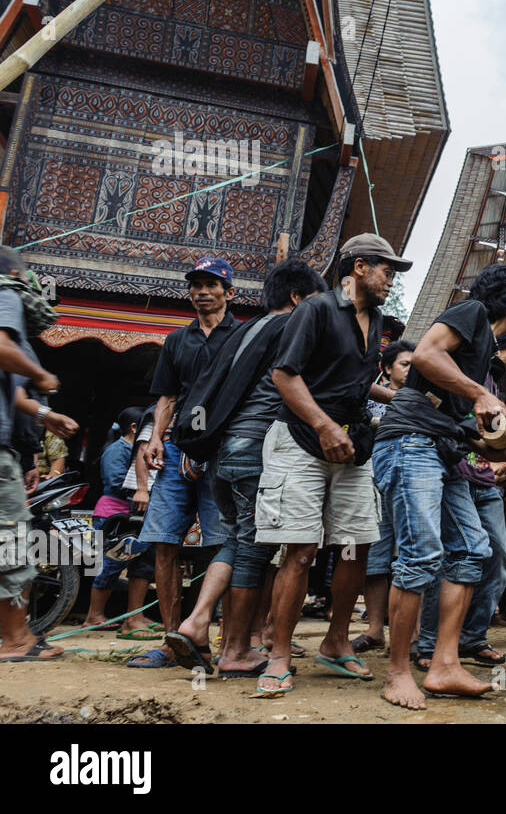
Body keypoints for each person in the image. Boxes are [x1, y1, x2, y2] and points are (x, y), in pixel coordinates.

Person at [254, 235, 407, 695]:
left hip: (351, 444)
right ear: (359, 267)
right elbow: (285, 374)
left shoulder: (376, 318)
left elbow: (354, 383)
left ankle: (336, 641)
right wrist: (323, 425)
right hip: (302, 440)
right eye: (386, 270)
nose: (390, 280)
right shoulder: (316, 309)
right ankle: (279, 654)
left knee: (356, 545)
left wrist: (399, 400)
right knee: (300, 551)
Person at [373, 263, 506, 710]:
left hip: (442, 450)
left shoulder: (481, 351)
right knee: (421, 554)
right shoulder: (473, 312)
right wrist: (480, 394)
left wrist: (503, 452)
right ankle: (399, 672)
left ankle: (444, 664)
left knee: (471, 550)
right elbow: (424, 355)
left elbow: (459, 422)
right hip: (409, 442)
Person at [165, 259, 328, 677]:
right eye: (315, 301)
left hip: (221, 451)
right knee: (255, 548)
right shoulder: (292, 328)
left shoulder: (244, 329)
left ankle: (198, 622)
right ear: (296, 298)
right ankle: (235, 650)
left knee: (238, 540)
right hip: (257, 447)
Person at [128, 256, 239, 669]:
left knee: (220, 544)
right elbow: (167, 396)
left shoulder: (242, 338)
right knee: (163, 541)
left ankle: (218, 639)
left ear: (229, 292)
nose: (202, 292)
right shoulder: (177, 340)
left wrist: (209, 448)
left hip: (223, 450)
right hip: (176, 449)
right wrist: (156, 438)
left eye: (211, 284)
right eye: (196, 284)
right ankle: (171, 639)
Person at [413, 329, 506, 668]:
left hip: (486, 482)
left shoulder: (496, 383)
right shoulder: (463, 373)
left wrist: (502, 457)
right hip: (458, 475)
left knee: (497, 559)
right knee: (447, 558)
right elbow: (452, 425)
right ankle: (429, 644)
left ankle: (471, 638)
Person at [0, 246, 70, 662]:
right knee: (9, 543)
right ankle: (16, 641)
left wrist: (46, 415)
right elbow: (2, 349)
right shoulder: (6, 290)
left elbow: (14, 393)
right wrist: (42, 372)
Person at [352, 338, 416, 654]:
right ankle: (375, 629)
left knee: (411, 555)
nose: (411, 369)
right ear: (387, 368)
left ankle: (413, 633)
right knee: (375, 559)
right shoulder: (369, 402)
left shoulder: (424, 400)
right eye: (405, 363)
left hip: (410, 484)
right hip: (373, 484)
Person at [82, 407, 158, 639]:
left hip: (136, 515)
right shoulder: (117, 450)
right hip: (114, 515)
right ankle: (94, 615)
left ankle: (134, 615)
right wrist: (143, 487)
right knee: (112, 563)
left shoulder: (141, 450)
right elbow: (116, 482)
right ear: (135, 428)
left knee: (141, 564)